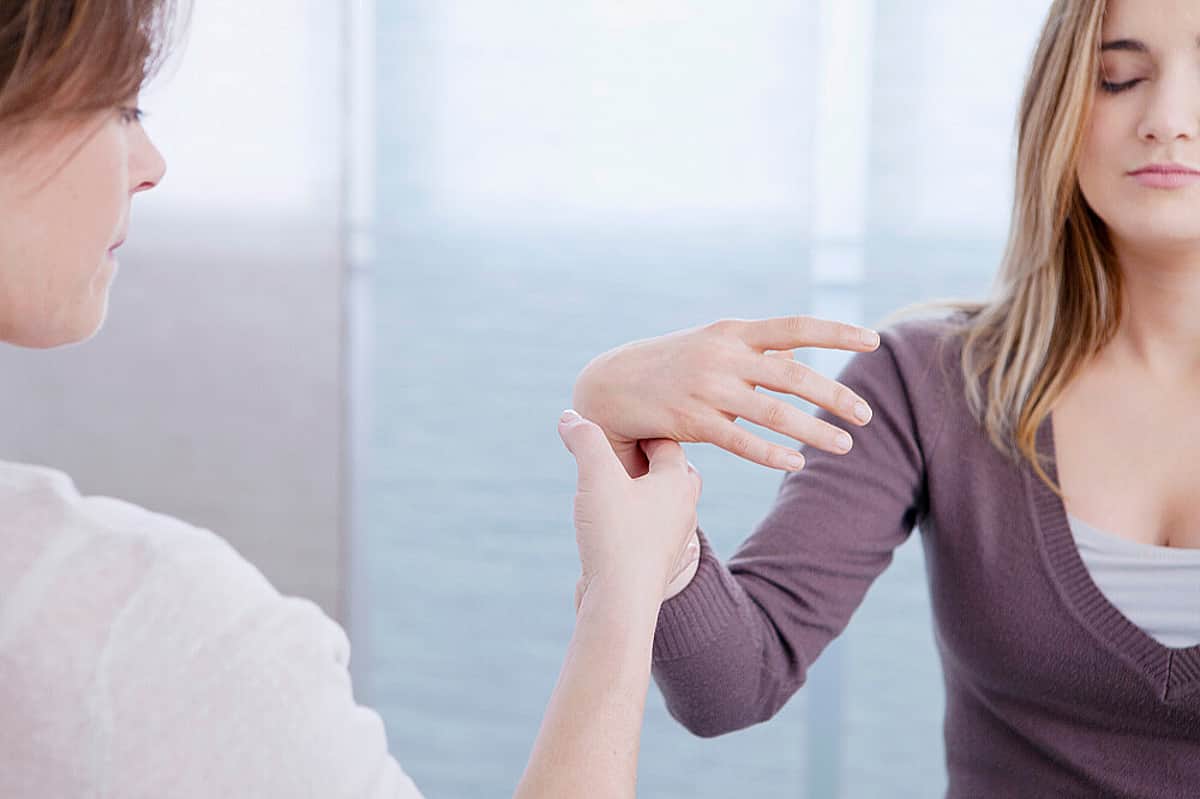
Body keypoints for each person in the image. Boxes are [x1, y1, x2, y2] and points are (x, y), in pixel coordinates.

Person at [0, 1, 810, 796]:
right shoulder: (149, 637)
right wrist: (625, 591)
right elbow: (735, 683)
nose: (152, 164)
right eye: (121, 105)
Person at [572, 0, 1200, 795]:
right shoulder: (927, 380)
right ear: (1061, 106)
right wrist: (625, 445)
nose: (1168, 119)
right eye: (1119, 78)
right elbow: (731, 683)